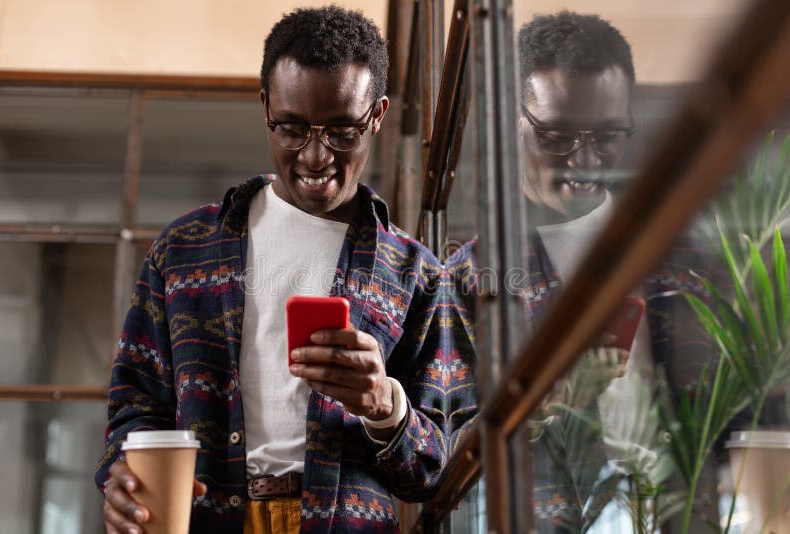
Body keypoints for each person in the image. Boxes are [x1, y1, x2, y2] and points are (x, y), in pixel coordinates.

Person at [96, 6, 477, 533]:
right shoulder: (182, 250)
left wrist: (384, 406)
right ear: (265, 107)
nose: (316, 157)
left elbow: (436, 471)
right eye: (292, 128)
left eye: (344, 132)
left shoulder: (417, 274)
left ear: (379, 114)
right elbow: (135, 402)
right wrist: (123, 473)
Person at [448, 10, 712, 532]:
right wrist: (540, 404)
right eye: (557, 137)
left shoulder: (674, 255)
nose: (584, 160)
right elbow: (446, 455)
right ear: (509, 122)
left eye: (608, 135)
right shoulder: (471, 276)